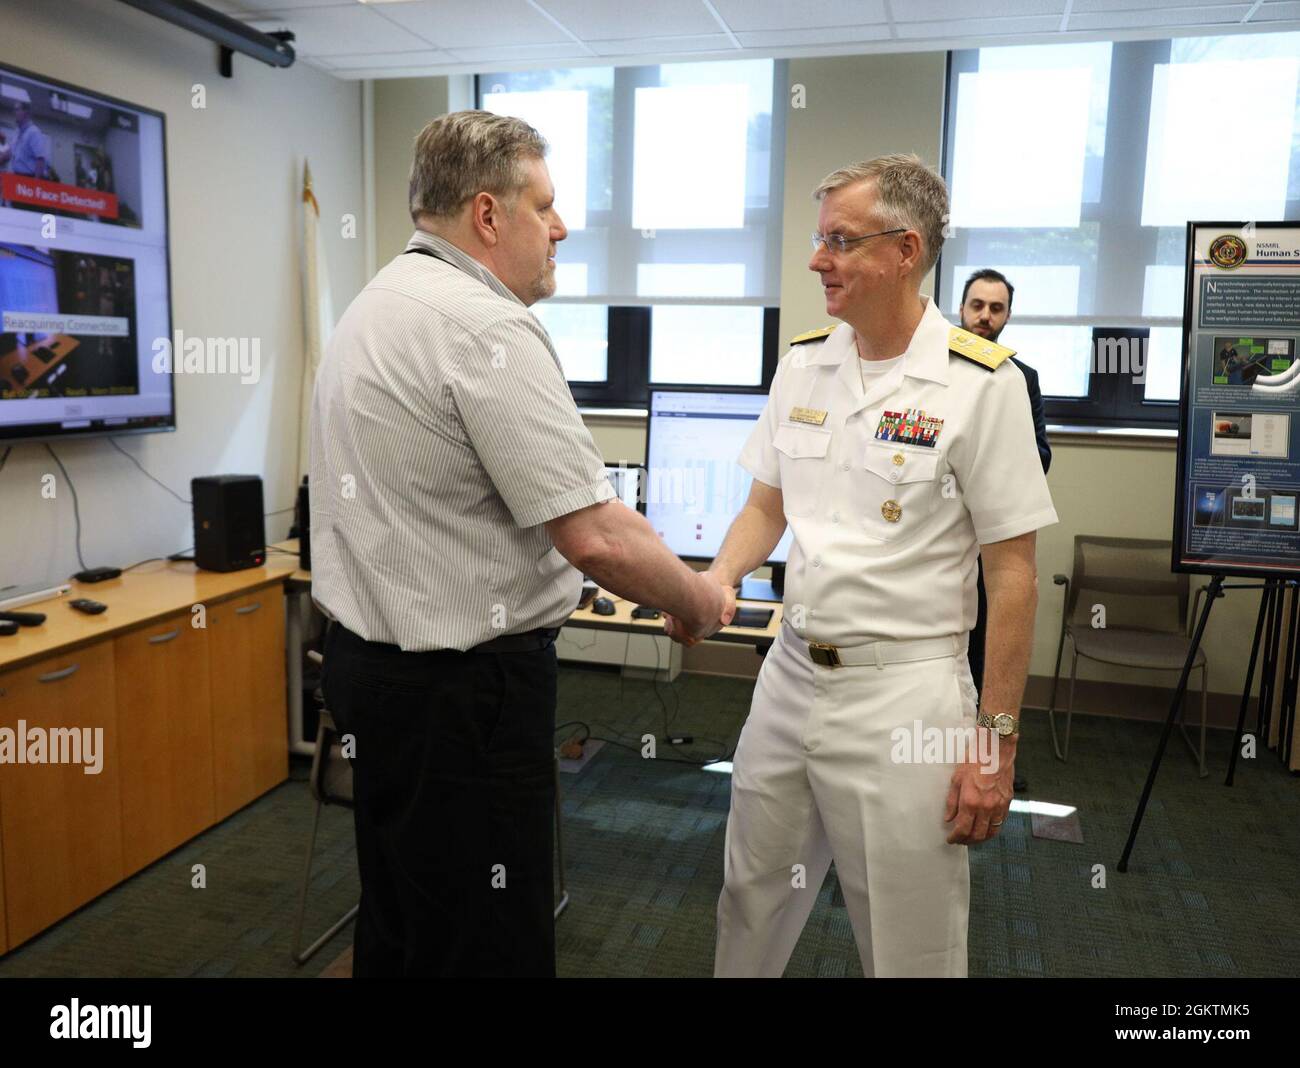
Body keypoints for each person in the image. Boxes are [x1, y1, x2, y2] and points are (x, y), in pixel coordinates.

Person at [310, 110, 734, 977]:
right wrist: (697, 601)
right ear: (488, 214)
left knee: (402, 919)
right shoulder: (485, 326)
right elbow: (598, 536)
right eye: (544, 206)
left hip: (373, 676)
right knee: (488, 941)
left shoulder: (377, 301)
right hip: (462, 697)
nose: (562, 226)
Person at [667, 154, 1057, 978]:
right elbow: (766, 508)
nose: (818, 260)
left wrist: (995, 742)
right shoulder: (805, 363)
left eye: (840, 241)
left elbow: (1013, 575)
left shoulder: (982, 386)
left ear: (906, 250)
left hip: (903, 693)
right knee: (749, 899)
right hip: (789, 675)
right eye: (820, 240)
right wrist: (718, 579)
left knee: (910, 937)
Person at [958, 268, 1051, 793]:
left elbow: (1041, 455)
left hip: (994, 535)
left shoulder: (1021, 377)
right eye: (977, 305)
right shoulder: (936, 366)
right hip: (942, 535)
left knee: (988, 645)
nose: (985, 317)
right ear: (961, 308)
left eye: (996, 309)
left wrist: (993, 465)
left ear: (1007, 316)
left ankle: (986, 754)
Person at [0, 101, 50, 179]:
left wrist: (35, 184)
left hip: (29, 178)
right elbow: (10, 152)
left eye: (17, 110)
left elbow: (40, 160)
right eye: (14, 110)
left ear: (26, 113)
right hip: (17, 176)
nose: (14, 112)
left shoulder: (34, 132)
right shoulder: (17, 132)